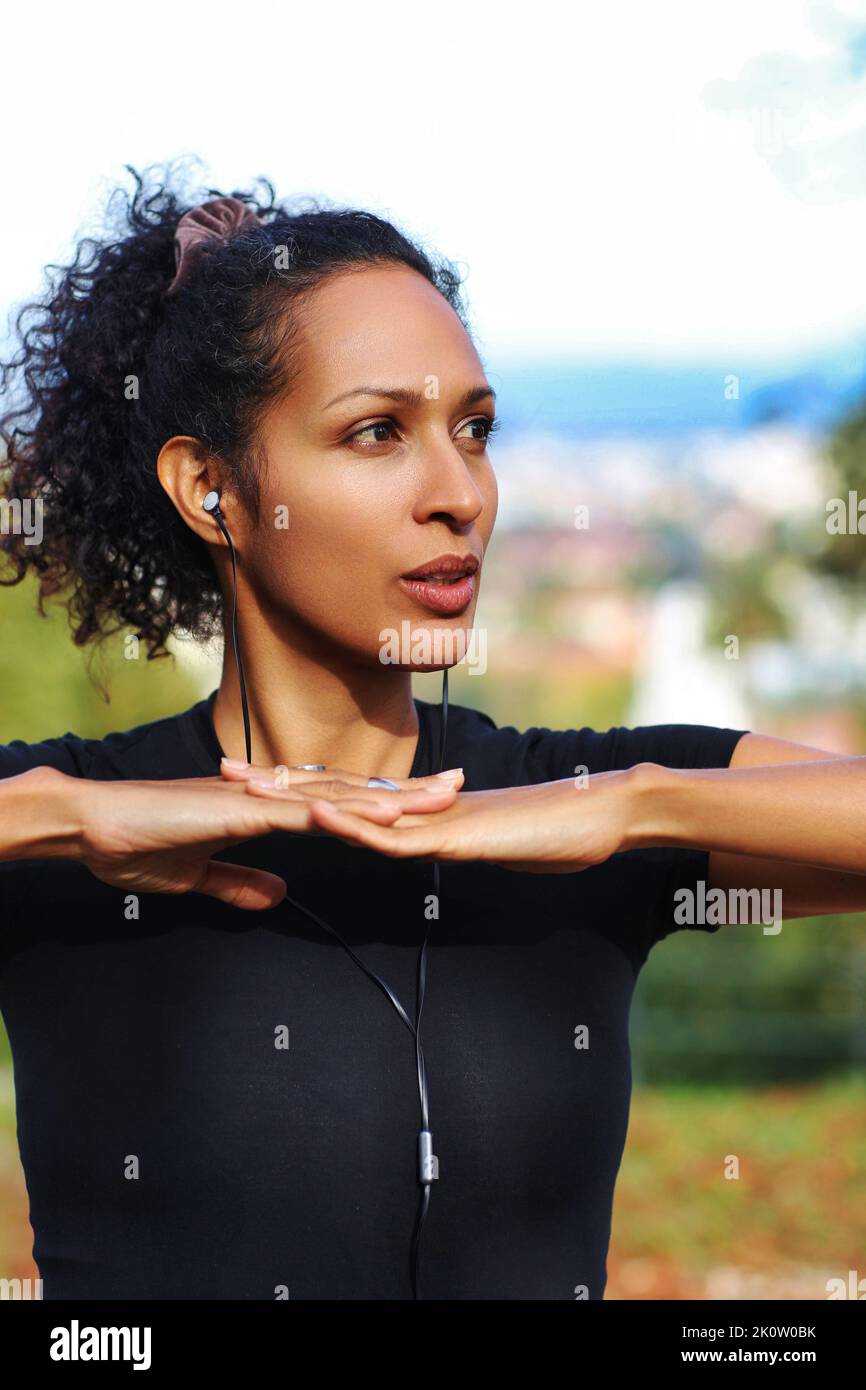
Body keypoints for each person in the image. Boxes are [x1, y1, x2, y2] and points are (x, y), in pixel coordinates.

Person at [1, 164, 864, 1302]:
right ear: (210, 488)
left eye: (474, 428)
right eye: (375, 433)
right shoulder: (70, 842)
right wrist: (62, 819)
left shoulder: (571, 805)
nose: (458, 491)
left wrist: (636, 804)